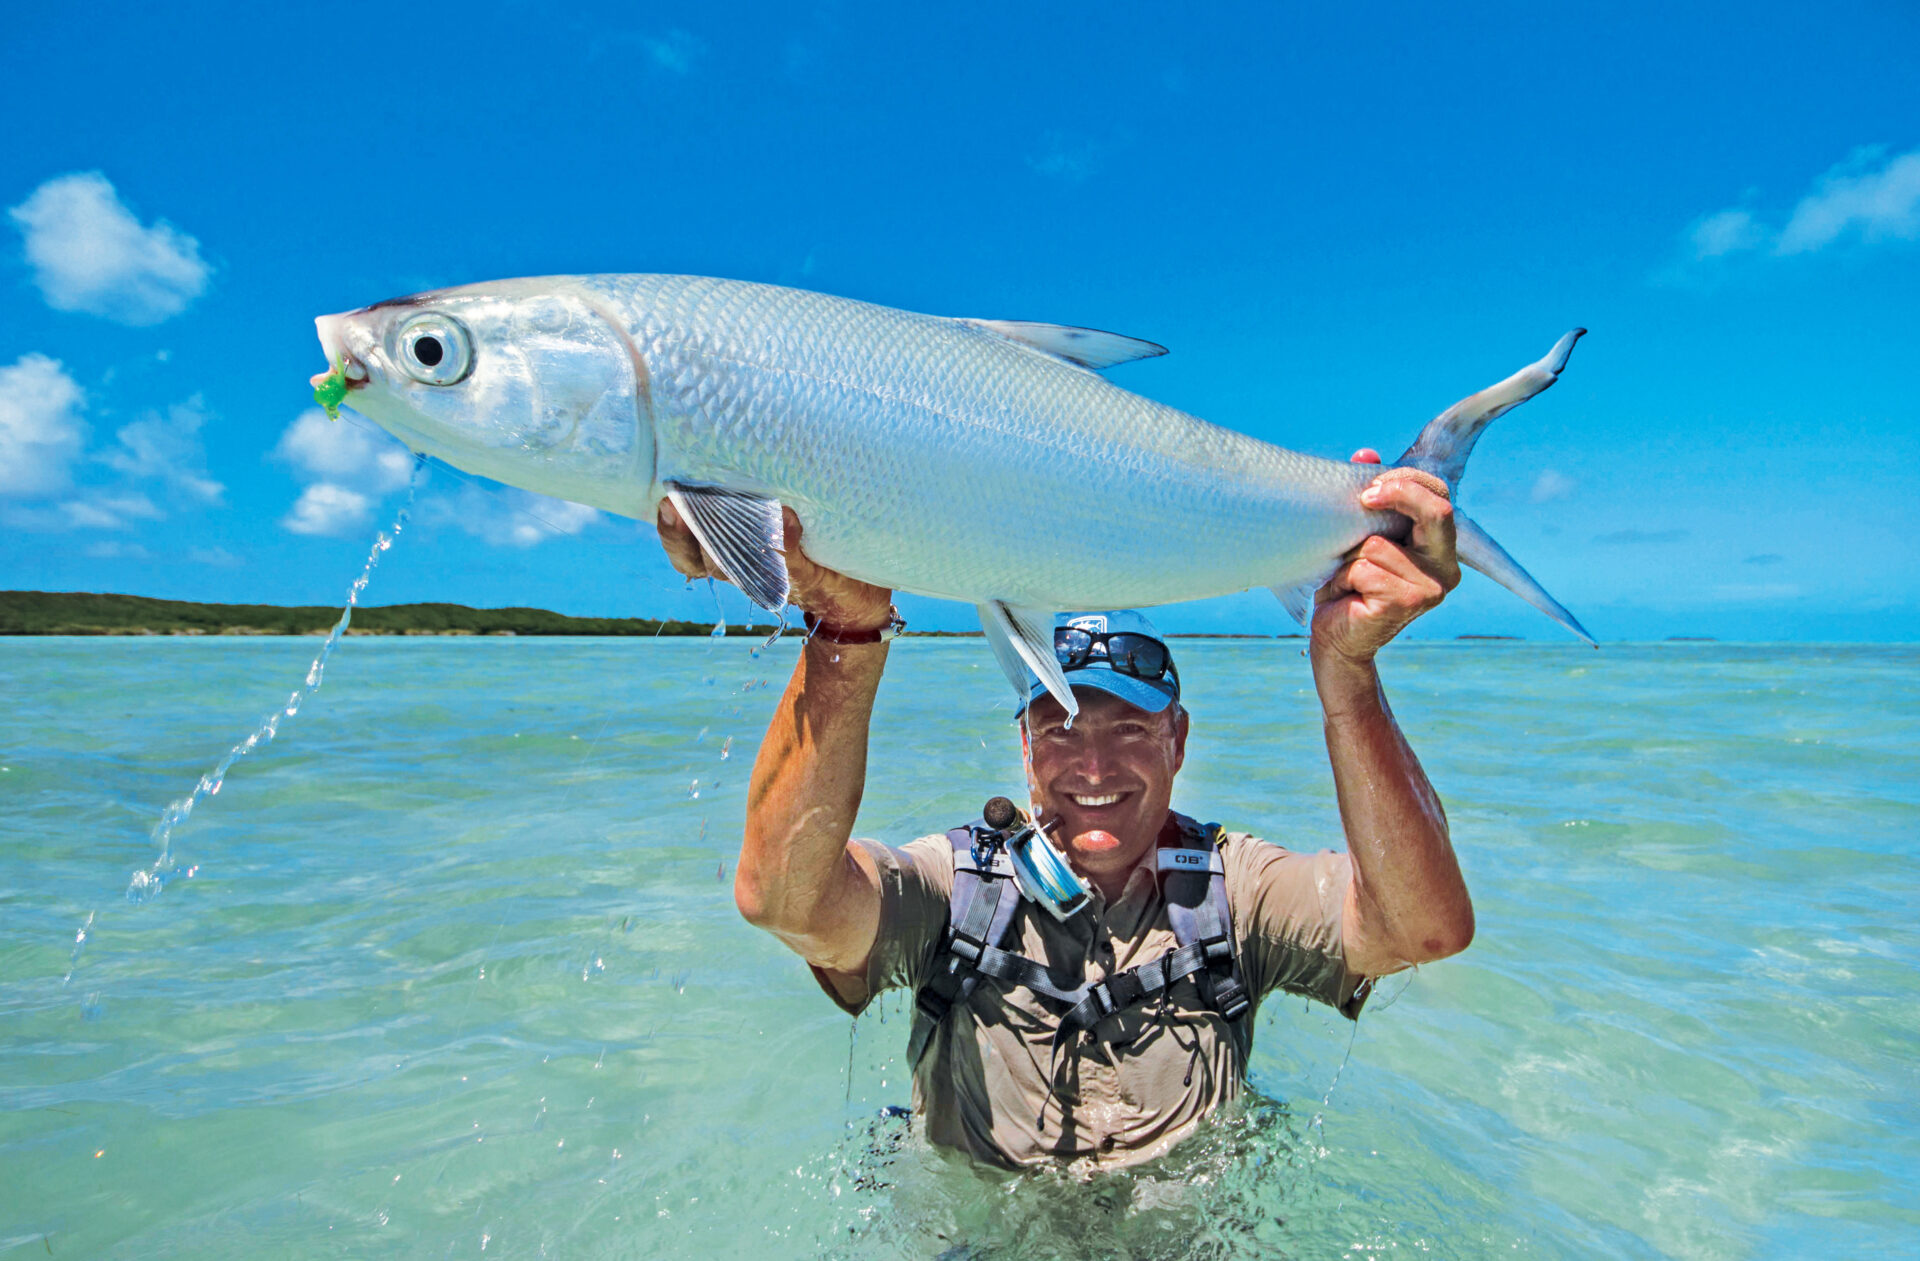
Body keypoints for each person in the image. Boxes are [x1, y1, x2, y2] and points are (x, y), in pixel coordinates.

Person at [653, 454, 1474, 1170]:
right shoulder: (958, 887)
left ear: (1178, 741)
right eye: (1059, 727)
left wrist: (1348, 672)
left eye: (1129, 730)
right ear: (1024, 746)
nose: (1092, 765)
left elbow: (1418, 929)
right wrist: (846, 630)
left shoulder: (1234, 889)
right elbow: (784, 899)